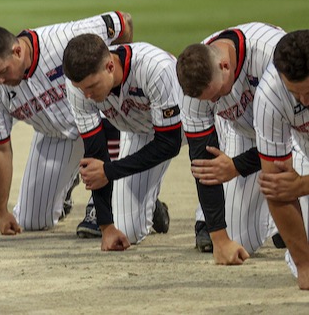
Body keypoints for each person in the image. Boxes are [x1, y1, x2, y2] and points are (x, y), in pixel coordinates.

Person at [0, 11, 133, 236]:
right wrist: (1, 211)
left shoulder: (64, 38)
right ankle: (68, 183)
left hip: (99, 119)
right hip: (55, 135)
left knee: (107, 111)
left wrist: (119, 82)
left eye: (3, 71)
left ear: (17, 51)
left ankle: (109, 203)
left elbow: (122, 21)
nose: (1, 80)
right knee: (31, 220)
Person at [178, 23, 288, 262]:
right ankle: (275, 217)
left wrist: (237, 166)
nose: (215, 101)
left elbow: (289, 137)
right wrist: (220, 239)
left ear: (225, 65)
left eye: (217, 95)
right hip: (244, 133)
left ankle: (285, 215)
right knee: (238, 239)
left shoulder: (272, 55)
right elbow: (204, 165)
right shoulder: (195, 90)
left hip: (295, 134)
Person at [63, 34, 180, 250]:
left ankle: (204, 222)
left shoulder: (154, 68)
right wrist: (106, 226)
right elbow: (95, 154)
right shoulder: (79, 86)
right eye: (81, 89)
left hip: (188, 126)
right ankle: (152, 204)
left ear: (109, 66)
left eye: (92, 86)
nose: (86, 95)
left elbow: (170, 143)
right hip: (137, 129)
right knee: (128, 232)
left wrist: (110, 170)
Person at [252, 30, 309, 289]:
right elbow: (275, 185)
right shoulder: (269, 95)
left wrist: (303, 185)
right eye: (295, 93)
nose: (304, 101)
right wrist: (304, 265)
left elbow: (296, 186)